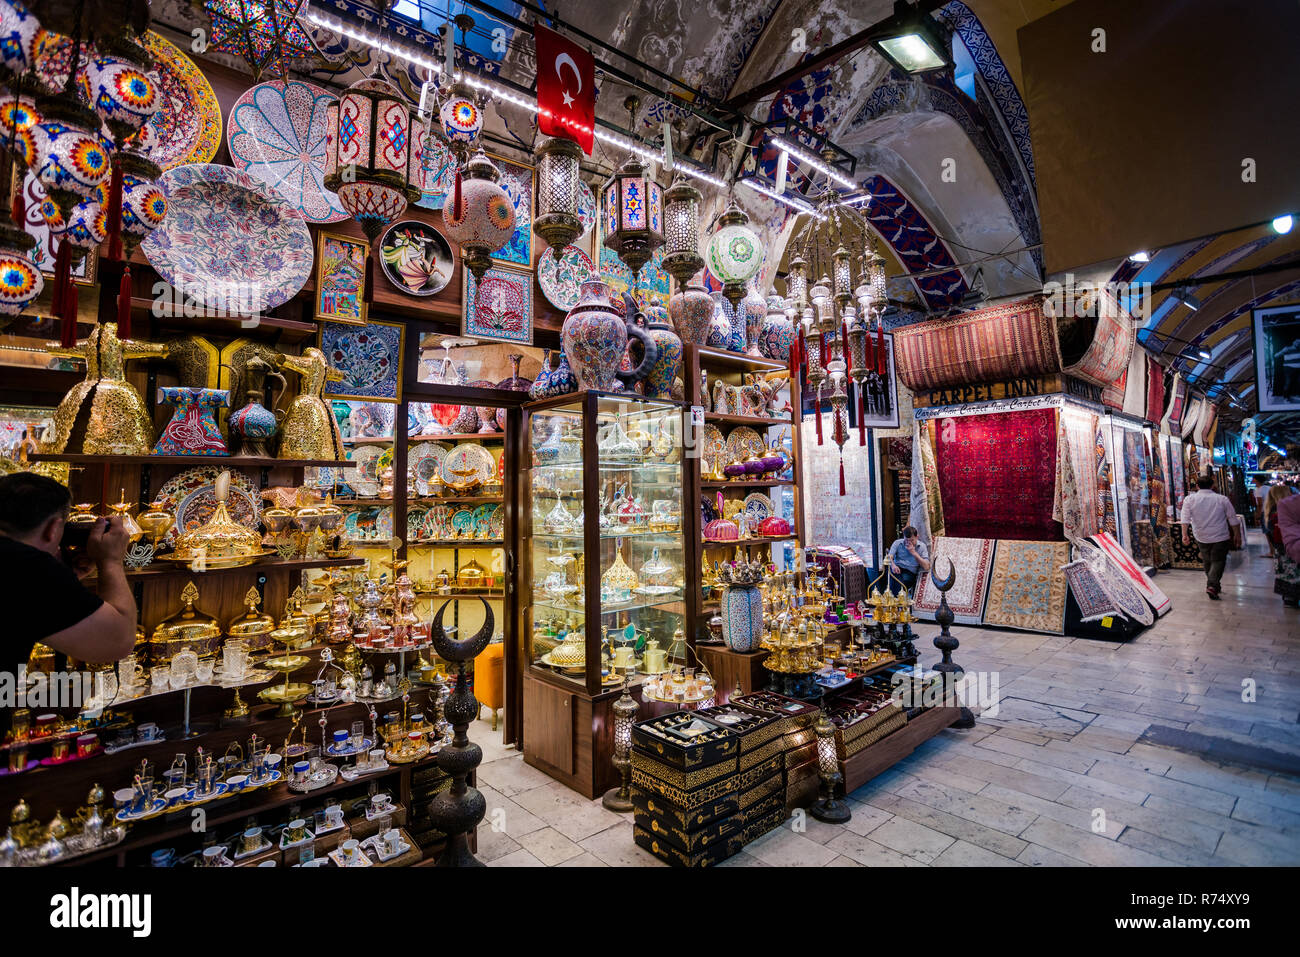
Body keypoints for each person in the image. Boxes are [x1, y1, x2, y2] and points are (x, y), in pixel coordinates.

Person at [0, 473, 138, 712]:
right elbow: (119, 641)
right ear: (53, 529)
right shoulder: (28, 568)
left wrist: (64, 578)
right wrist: (111, 561)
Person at [1179, 473, 1242, 600]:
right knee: (1218, 561)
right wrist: (1237, 534)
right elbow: (1232, 518)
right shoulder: (1222, 499)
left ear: (1197, 486)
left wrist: (1184, 534)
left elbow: (1185, 518)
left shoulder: (1189, 500)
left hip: (1201, 535)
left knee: (1208, 561)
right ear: (1212, 485)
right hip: (1220, 536)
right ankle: (1212, 585)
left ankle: (1214, 585)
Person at [885, 526, 930, 594]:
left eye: (912, 540)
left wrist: (914, 553)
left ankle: (895, 600)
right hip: (897, 568)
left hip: (910, 571)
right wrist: (893, 565)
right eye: (906, 540)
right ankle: (897, 600)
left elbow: (926, 566)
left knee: (900, 582)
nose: (908, 543)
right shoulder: (898, 543)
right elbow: (889, 557)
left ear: (917, 537)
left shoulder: (922, 546)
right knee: (891, 577)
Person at [1263, 484, 1294, 555]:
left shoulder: (1270, 510)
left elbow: (1270, 532)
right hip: (1291, 545)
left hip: (1281, 547)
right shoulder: (1288, 509)